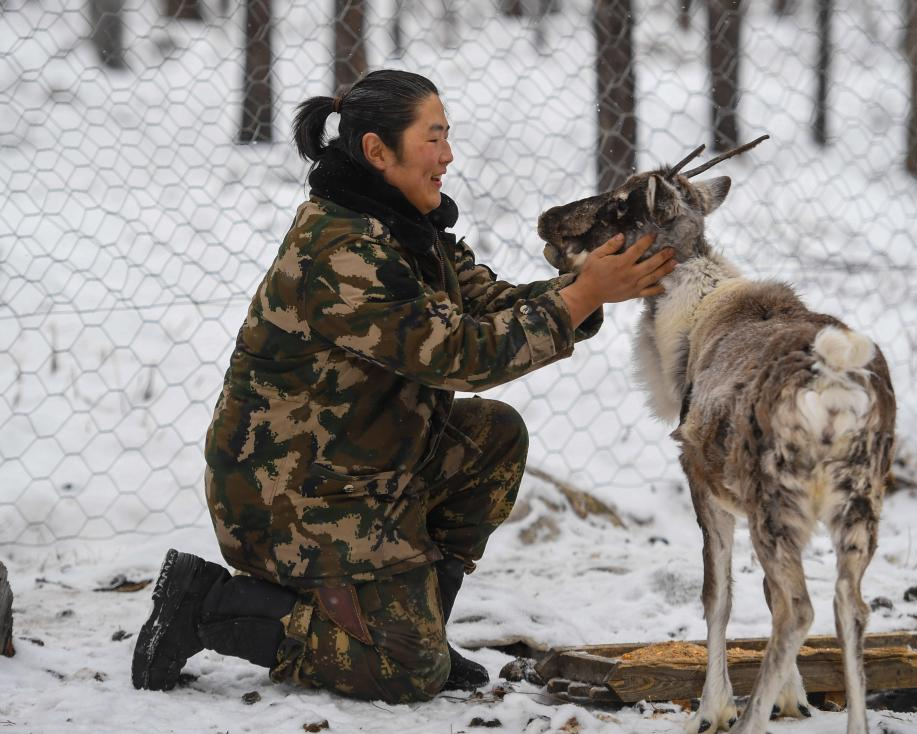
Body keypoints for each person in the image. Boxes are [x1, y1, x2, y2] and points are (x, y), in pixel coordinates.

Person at [131, 70, 675, 704]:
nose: (448, 156)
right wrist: (582, 294)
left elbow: (489, 307)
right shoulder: (340, 250)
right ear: (376, 151)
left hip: (358, 466)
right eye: (434, 137)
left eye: (447, 137)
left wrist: (590, 280)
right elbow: (459, 353)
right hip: (287, 494)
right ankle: (211, 605)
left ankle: (416, 629)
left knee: (493, 436)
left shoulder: (408, 231)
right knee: (403, 674)